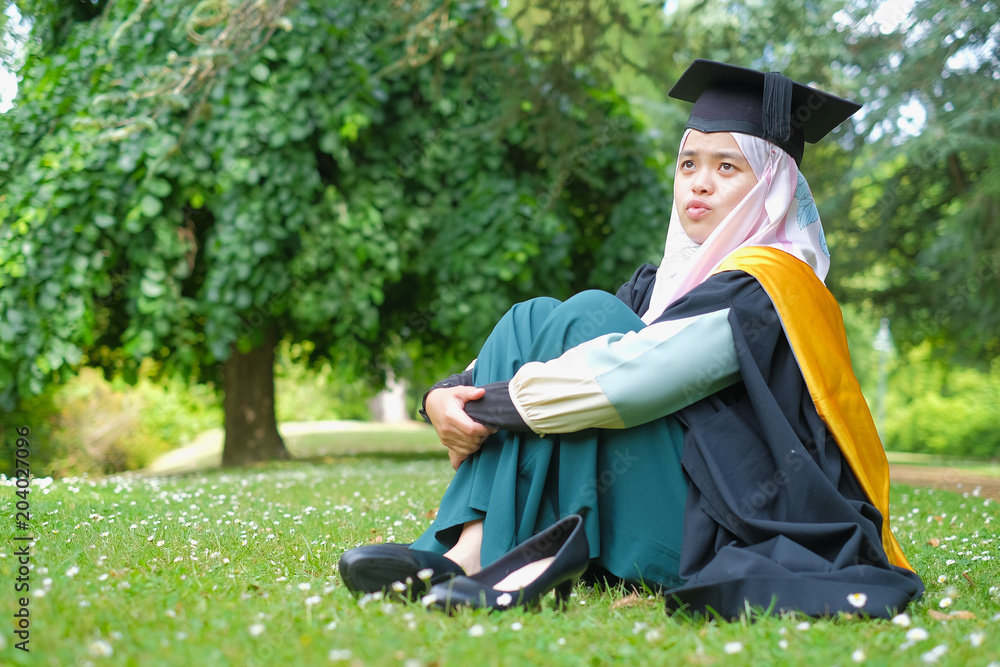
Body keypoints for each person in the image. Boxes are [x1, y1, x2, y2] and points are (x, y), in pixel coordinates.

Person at [339, 59, 925, 618]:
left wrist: (486, 406)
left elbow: (631, 383)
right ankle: (467, 554)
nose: (699, 184)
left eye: (727, 167)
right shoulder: (660, 285)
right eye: (688, 163)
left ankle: (475, 556)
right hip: (663, 499)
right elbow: (550, 348)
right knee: (537, 316)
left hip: (720, 526)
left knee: (585, 316)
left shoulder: (768, 286)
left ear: (769, 183)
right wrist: (445, 393)